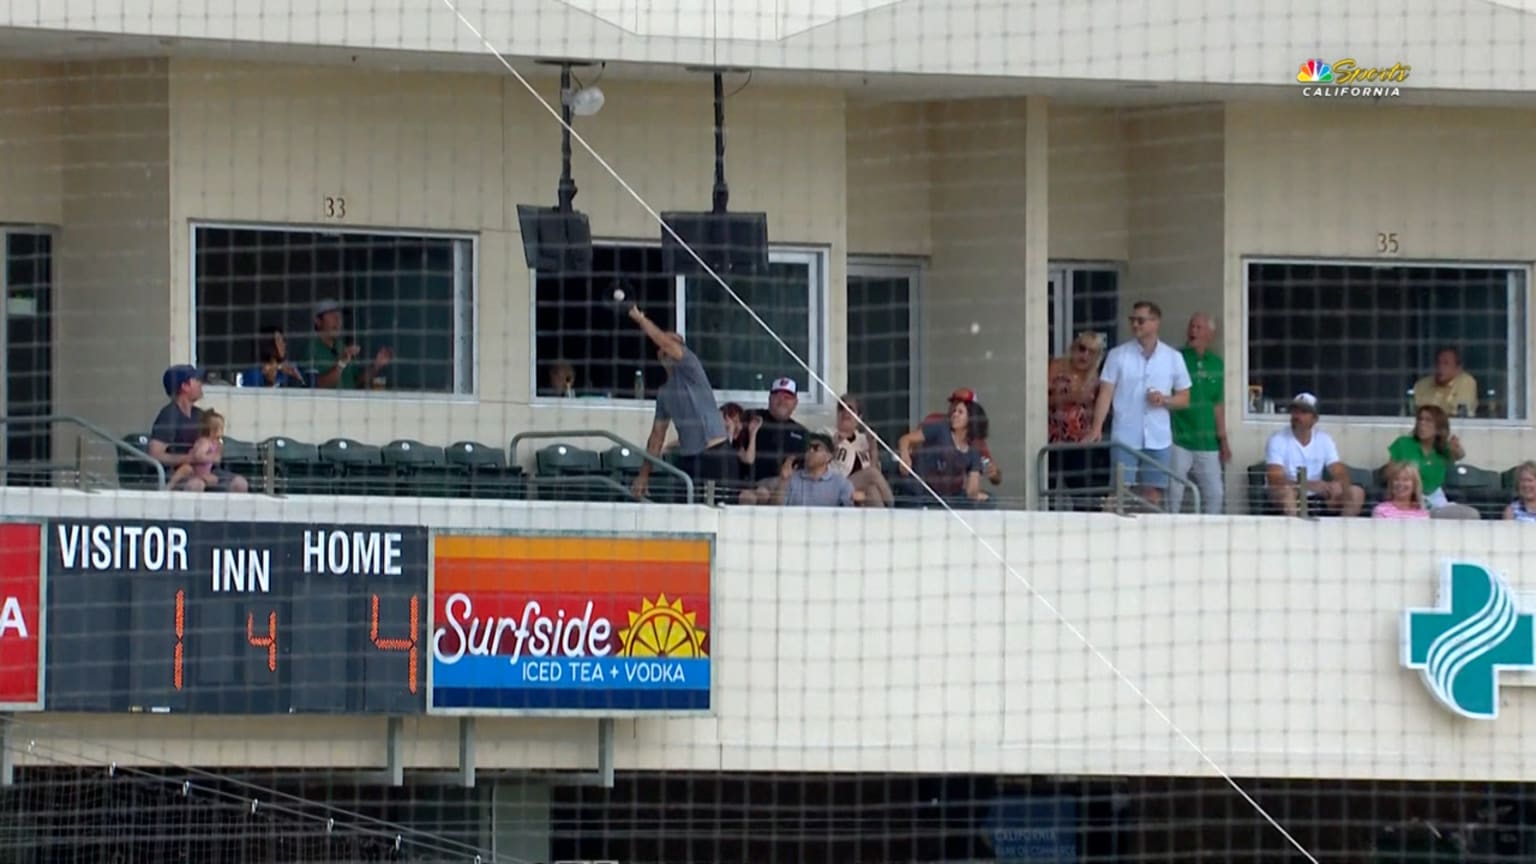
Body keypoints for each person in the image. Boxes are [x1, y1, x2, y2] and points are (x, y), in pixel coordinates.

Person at [621, 301, 737, 501]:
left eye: (675, 343)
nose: (668, 345)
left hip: (716, 455)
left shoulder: (691, 367)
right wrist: (643, 475)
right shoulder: (664, 393)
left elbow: (664, 342)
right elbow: (656, 437)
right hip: (690, 460)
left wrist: (640, 318)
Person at [1087, 301, 1191, 509]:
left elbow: (1184, 398)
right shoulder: (1118, 355)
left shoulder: (1173, 357)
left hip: (1158, 437)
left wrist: (1164, 399)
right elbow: (1105, 393)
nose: (1135, 325)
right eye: (1132, 320)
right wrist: (1097, 427)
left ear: (1155, 323)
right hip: (1125, 435)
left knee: (1153, 495)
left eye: (1140, 320)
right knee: (1119, 492)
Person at [147, 365, 249, 494]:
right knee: (196, 484)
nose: (201, 384)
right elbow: (155, 454)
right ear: (185, 386)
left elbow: (216, 443)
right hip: (178, 472)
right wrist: (190, 459)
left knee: (240, 483)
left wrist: (214, 453)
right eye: (197, 380)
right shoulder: (168, 415)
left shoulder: (201, 415)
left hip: (206, 468)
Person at [1263, 392, 1363, 517]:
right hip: (1288, 496)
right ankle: (1294, 534)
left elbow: (1339, 471)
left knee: (1356, 492)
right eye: (1295, 411)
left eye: (1303, 412)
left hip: (1317, 498)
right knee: (1287, 493)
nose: (1297, 416)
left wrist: (1338, 485)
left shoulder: (1324, 439)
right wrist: (1308, 485)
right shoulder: (1277, 439)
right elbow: (1275, 480)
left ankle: (1341, 534)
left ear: (1315, 419)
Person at [1167, 313, 1229, 514]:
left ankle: (1211, 534)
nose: (1193, 331)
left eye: (1199, 327)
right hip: (1179, 437)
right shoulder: (1176, 358)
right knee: (1173, 491)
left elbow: (1217, 404)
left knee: (1215, 493)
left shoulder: (1217, 364)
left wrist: (1223, 440)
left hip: (1207, 442)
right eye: (1191, 326)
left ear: (1210, 334)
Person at [1386, 405, 1478, 518]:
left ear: (1439, 427)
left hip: (1435, 499)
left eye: (1428, 420)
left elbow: (1460, 455)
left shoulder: (1442, 451)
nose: (1422, 423)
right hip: (1408, 497)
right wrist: (1408, 471)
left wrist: (1457, 448)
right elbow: (1389, 473)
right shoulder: (1403, 443)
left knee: (1470, 515)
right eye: (1420, 419)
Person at [304, 298, 393, 390]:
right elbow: (317, 385)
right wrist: (342, 362)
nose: (338, 320)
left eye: (339, 315)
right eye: (331, 315)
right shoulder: (311, 349)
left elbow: (356, 380)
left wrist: (377, 365)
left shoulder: (341, 346)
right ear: (317, 321)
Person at [774, 432, 855, 508]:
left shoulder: (841, 484)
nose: (810, 451)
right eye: (808, 448)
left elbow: (848, 516)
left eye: (816, 448)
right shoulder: (791, 479)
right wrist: (783, 482)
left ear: (829, 456)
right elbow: (775, 511)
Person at [169, 410, 226, 491]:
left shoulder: (216, 443)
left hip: (205, 471)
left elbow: (218, 459)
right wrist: (212, 457)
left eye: (222, 428)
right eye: (218, 429)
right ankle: (169, 486)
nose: (221, 432)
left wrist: (219, 451)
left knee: (215, 479)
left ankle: (201, 478)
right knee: (185, 469)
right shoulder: (204, 441)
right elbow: (198, 456)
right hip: (193, 468)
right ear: (210, 430)